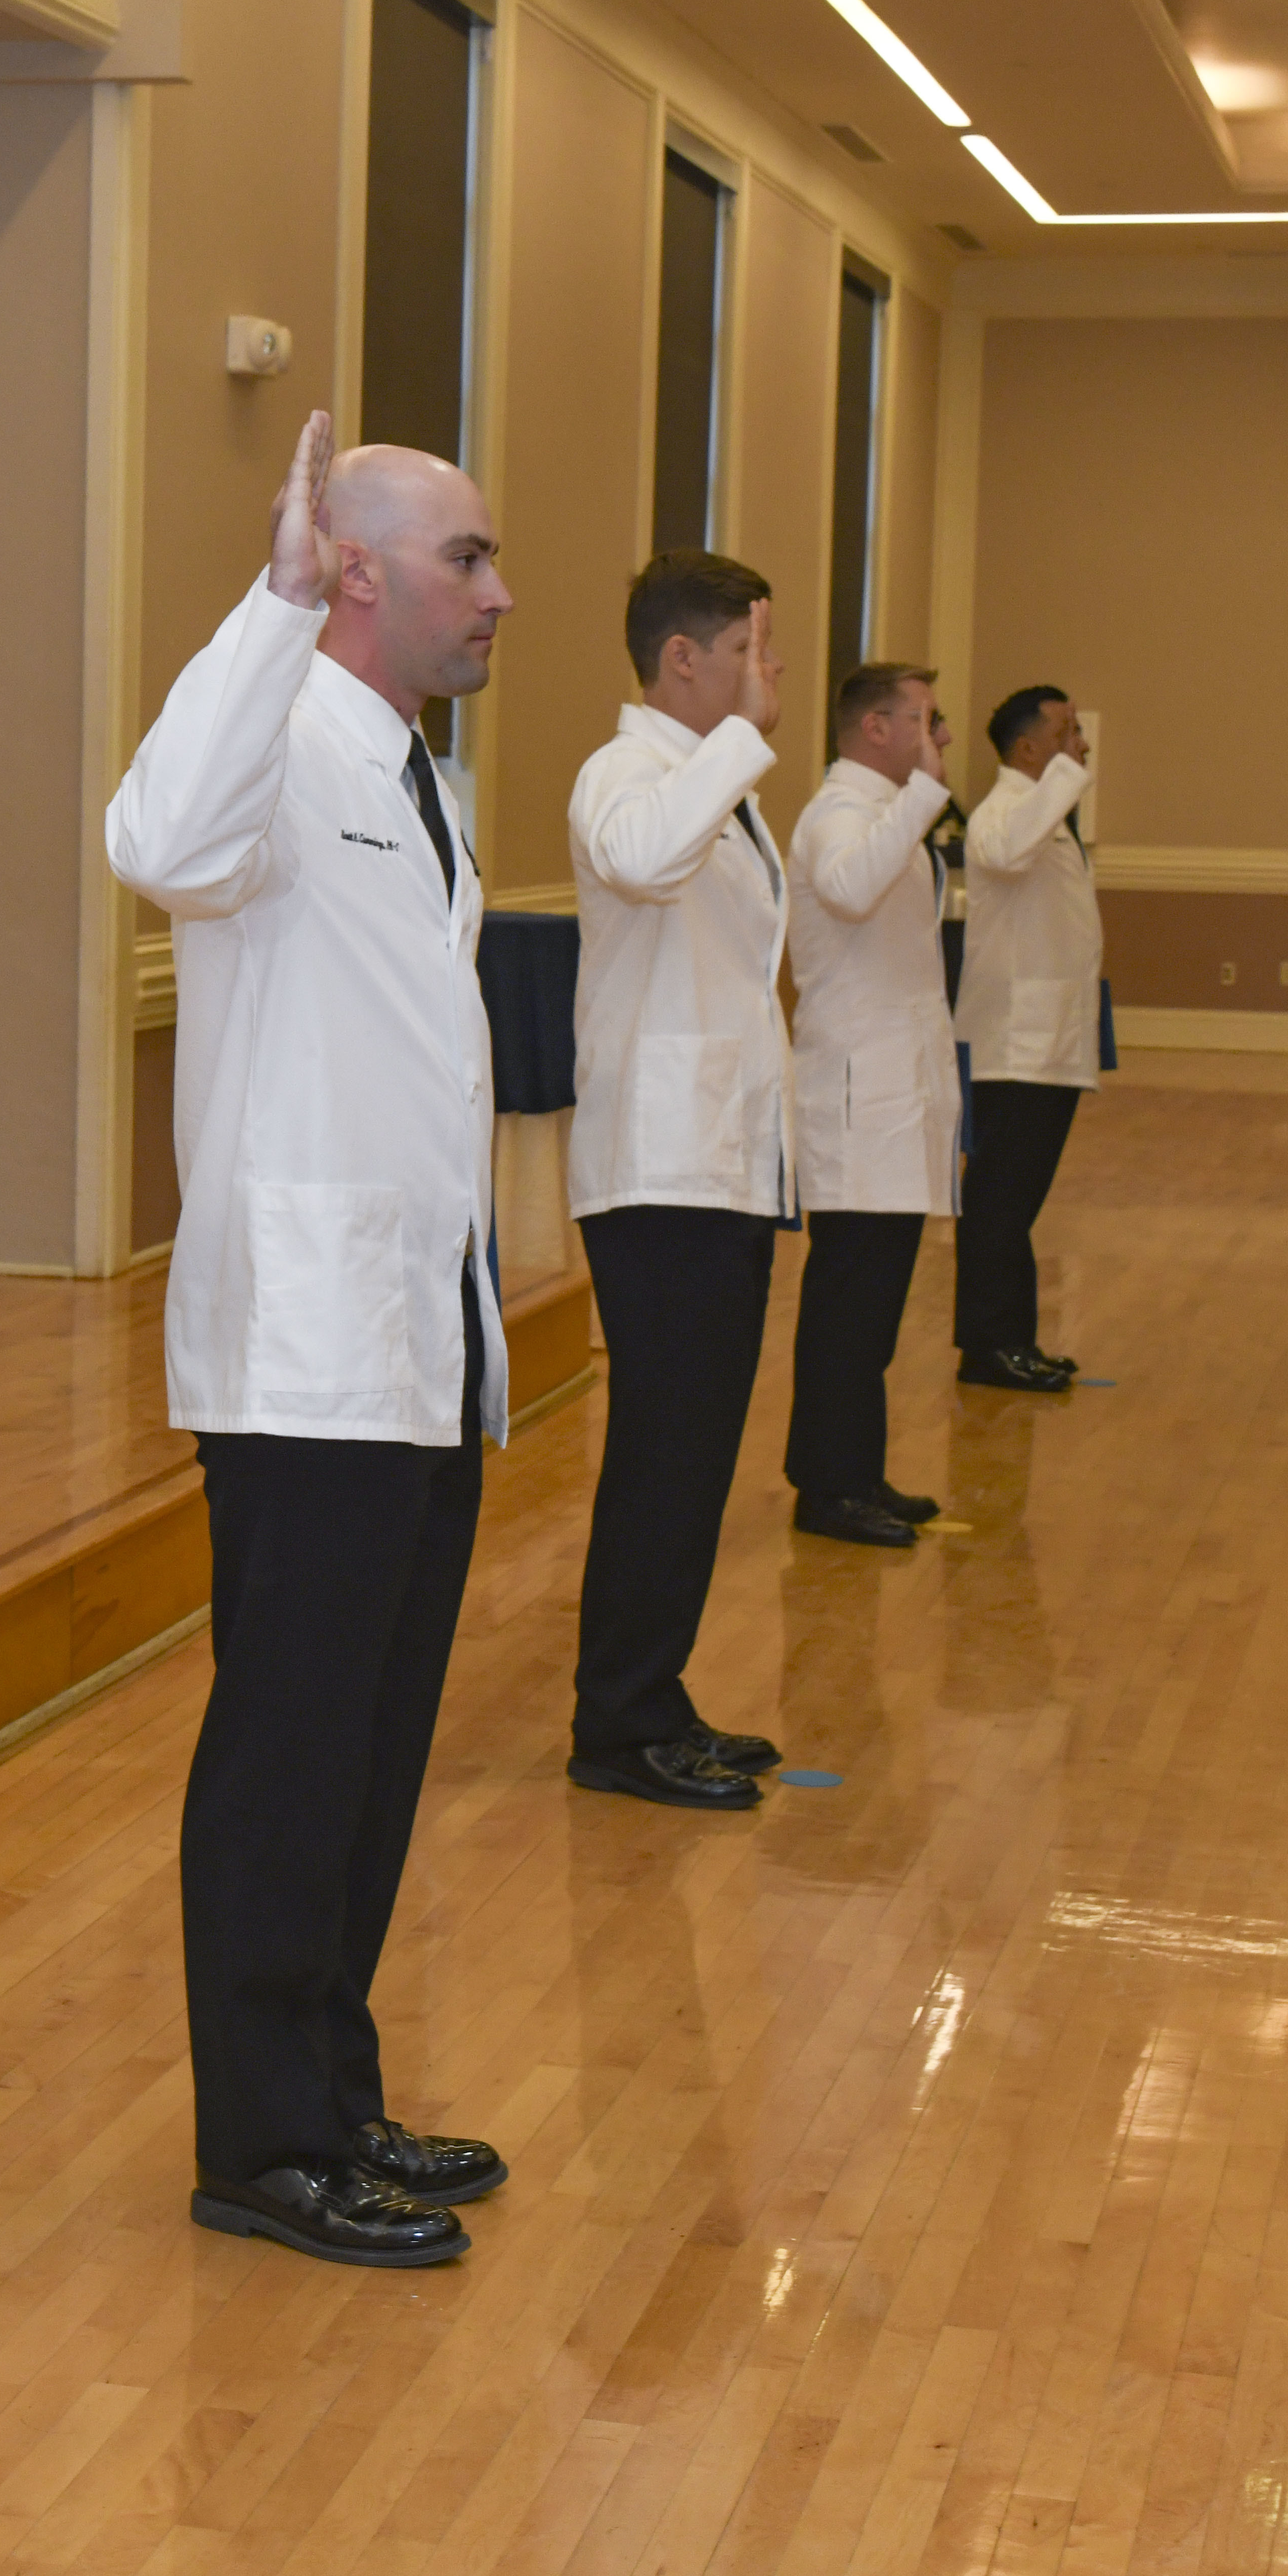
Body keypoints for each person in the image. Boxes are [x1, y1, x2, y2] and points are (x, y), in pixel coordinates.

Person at [103, 411, 515, 2271]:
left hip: (416, 1334)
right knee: (287, 1749)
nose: (498, 593)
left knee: (370, 1741)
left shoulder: (416, 771)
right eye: (468, 560)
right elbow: (151, 836)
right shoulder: (266, 731)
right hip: (305, 1351)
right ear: (352, 570)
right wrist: (259, 612)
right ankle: (258, 2140)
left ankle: (332, 2089)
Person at [562, 553, 797, 1812]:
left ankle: (653, 1695)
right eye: (753, 650)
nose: (771, 679)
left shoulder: (713, 788)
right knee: (663, 1452)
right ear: (682, 661)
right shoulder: (625, 775)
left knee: (695, 1455)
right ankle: (616, 1721)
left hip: (719, 1169)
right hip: (659, 1176)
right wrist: (742, 743)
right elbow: (647, 861)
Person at [783, 663, 961, 1548]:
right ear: (875, 730)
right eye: (924, 720)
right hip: (858, 1097)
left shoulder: (887, 813)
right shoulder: (837, 813)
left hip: (895, 1090)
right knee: (848, 1307)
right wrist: (925, 793)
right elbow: (850, 887)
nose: (939, 737)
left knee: (873, 1308)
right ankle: (826, 1486)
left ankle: (854, 1468)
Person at [951, 684, 1101, 1392]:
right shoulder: (1001, 813)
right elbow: (1007, 853)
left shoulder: (1043, 815)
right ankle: (986, 1345)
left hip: (1048, 1044)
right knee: (998, 1204)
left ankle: (1013, 1337)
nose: (1080, 744)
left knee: (1019, 1205)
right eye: (1066, 732)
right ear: (1026, 749)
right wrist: (1068, 781)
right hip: (1013, 1047)